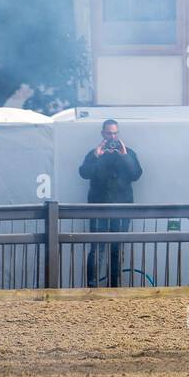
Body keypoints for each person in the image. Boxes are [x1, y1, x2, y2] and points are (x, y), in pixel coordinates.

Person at [78, 119, 143, 288]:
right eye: (109, 133)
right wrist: (95, 156)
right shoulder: (94, 153)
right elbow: (84, 173)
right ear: (102, 134)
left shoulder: (128, 153)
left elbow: (136, 174)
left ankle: (115, 287)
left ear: (118, 134)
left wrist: (125, 156)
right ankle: (92, 289)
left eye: (115, 133)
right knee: (97, 249)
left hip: (122, 210)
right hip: (98, 209)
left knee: (116, 249)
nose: (112, 137)